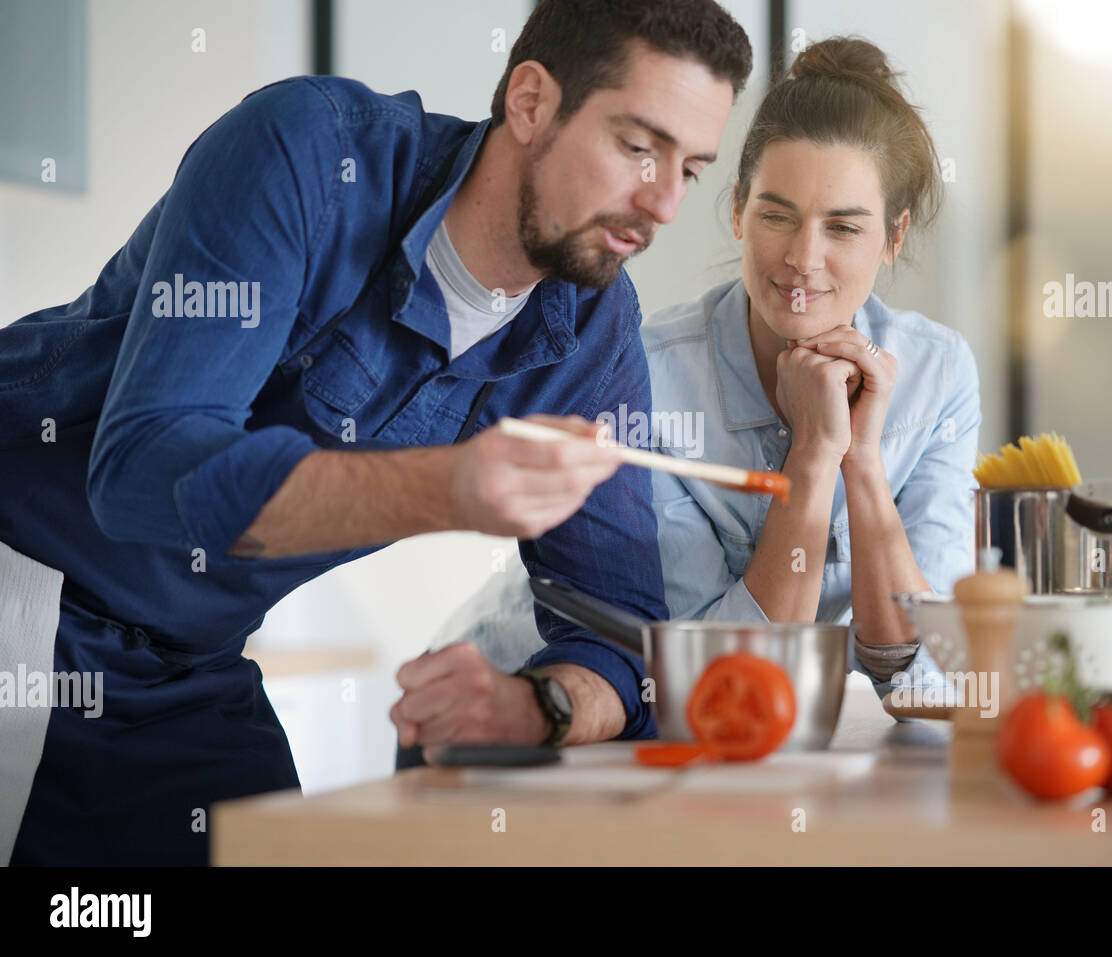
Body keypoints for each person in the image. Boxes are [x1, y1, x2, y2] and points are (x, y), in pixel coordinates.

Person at [0, 0, 752, 865]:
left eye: (690, 169)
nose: (661, 203)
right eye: (637, 147)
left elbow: (624, 632)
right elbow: (141, 470)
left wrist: (537, 707)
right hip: (26, 582)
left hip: (189, 660)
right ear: (532, 101)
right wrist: (448, 486)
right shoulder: (305, 151)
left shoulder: (594, 326)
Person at [392, 36, 978, 744]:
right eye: (776, 214)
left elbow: (928, 685)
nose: (803, 257)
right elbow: (721, 683)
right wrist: (814, 455)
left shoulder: (936, 374)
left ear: (893, 236)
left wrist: (862, 460)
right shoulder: (646, 371)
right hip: (506, 717)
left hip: (664, 747)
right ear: (737, 210)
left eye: (844, 227)